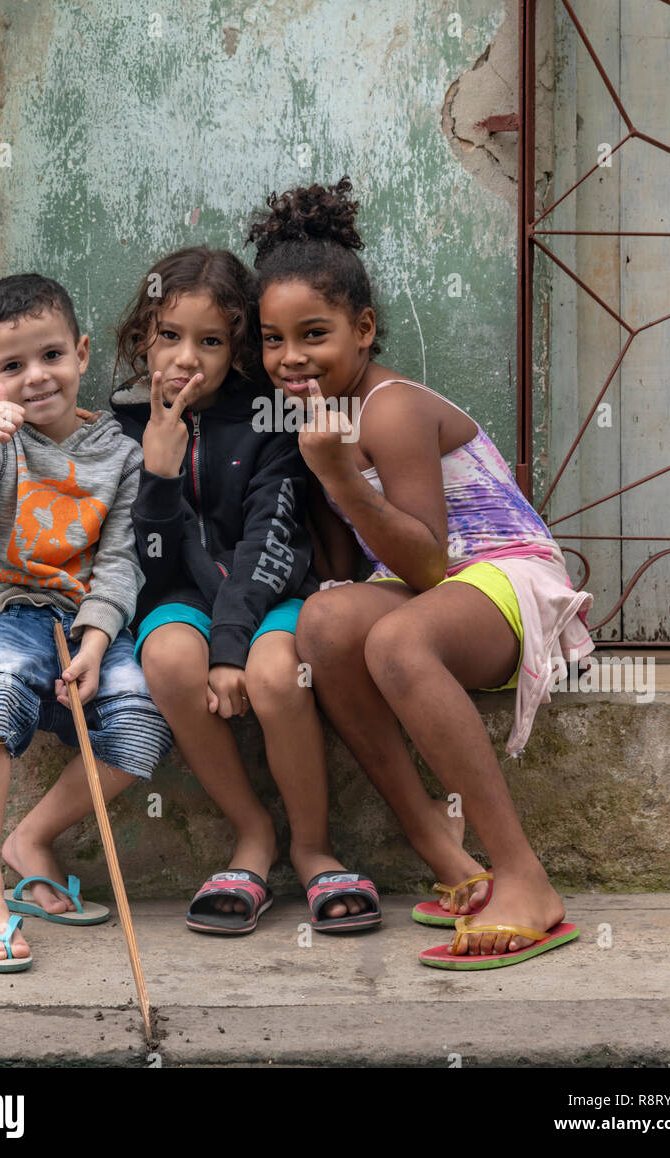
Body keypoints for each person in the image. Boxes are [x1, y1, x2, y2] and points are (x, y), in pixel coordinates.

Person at [246, 177, 594, 969]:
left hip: (507, 579)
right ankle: (445, 853)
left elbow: (430, 562)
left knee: (398, 644)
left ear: (363, 330)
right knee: (326, 623)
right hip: (440, 590)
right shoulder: (316, 420)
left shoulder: (391, 409)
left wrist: (336, 479)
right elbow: (355, 567)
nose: (291, 358)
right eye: (273, 340)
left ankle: (523, 877)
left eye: (314, 334)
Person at [111, 245, 380, 934]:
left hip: (267, 594)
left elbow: (269, 544)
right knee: (168, 658)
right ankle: (253, 835)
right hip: (180, 597)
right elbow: (153, 562)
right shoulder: (122, 427)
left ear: (238, 350)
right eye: (168, 336)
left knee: (275, 675)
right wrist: (160, 475)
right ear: (142, 338)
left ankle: (314, 848)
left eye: (211, 342)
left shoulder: (272, 422)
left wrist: (230, 645)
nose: (185, 358)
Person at [0, 274, 171, 972]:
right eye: (11, 367)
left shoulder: (120, 456)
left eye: (51, 356)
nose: (35, 379)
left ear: (82, 354)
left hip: (86, 623)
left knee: (144, 716)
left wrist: (95, 644)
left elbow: (120, 563)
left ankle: (29, 839)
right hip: (3, 613)